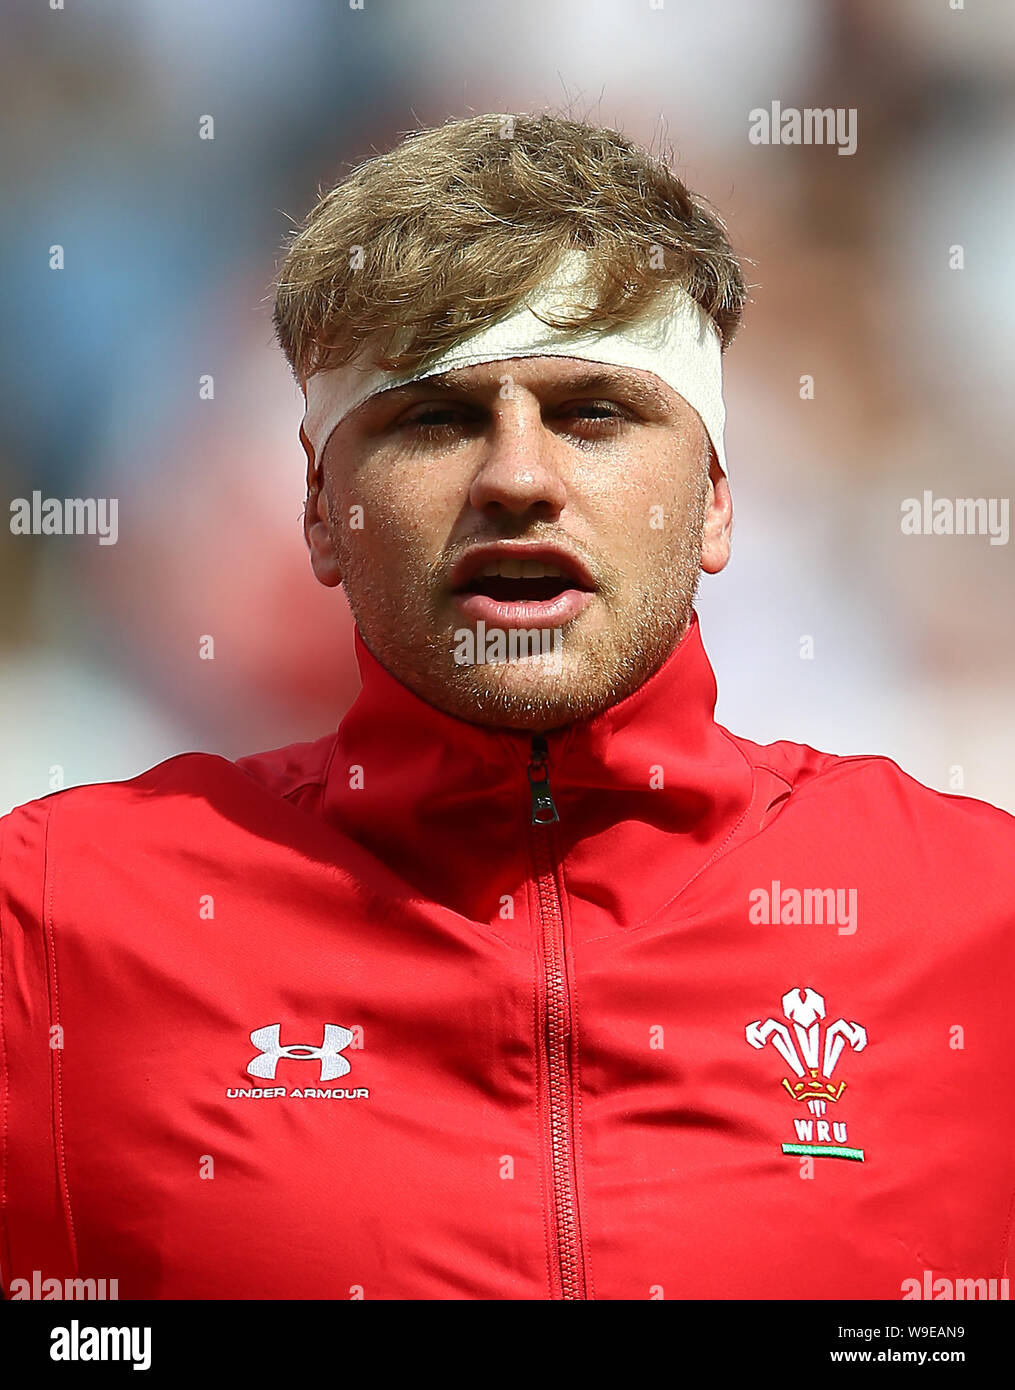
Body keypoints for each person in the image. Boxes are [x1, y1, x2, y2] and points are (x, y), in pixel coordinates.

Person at [1, 112, 1011, 1302]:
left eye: (593, 412)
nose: (518, 478)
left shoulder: (972, 919)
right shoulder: (56, 921)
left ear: (718, 503)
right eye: (436, 417)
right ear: (321, 512)